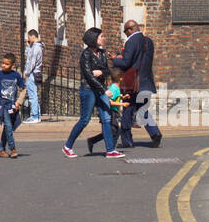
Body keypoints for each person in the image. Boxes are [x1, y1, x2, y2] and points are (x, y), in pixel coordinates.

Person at [61, 27, 121, 160]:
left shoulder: (102, 53)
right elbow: (88, 76)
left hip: (99, 90)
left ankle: (110, 150)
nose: (103, 38)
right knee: (84, 120)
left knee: (106, 118)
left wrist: (101, 72)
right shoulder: (85, 55)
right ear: (93, 39)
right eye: (101, 36)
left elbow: (107, 70)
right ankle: (68, 146)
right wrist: (104, 90)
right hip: (88, 90)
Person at [113, 20, 162, 149]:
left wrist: (115, 59)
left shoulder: (131, 41)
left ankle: (127, 141)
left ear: (130, 29)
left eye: (125, 31)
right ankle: (155, 133)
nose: (125, 34)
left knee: (128, 110)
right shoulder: (148, 41)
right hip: (146, 82)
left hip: (133, 83)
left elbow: (126, 63)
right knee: (142, 109)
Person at [0, 54, 25, 158]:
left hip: (12, 105)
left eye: (7, 64)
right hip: (2, 104)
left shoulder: (16, 76)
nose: (3, 65)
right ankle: (13, 149)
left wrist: (18, 102)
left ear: (12, 65)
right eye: (3, 63)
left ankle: (1, 149)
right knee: (8, 126)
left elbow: (23, 89)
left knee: (8, 127)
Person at [23, 29, 44, 124]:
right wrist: (28, 47)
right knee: (33, 94)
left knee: (32, 95)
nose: (28, 39)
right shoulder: (35, 47)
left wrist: (27, 72)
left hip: (32, 73)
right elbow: (28, 55)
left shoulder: (36, 48)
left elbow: (32, 61)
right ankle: (37, 115)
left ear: (33, 36)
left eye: (28, 37)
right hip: (34, 72)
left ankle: (35, 116)